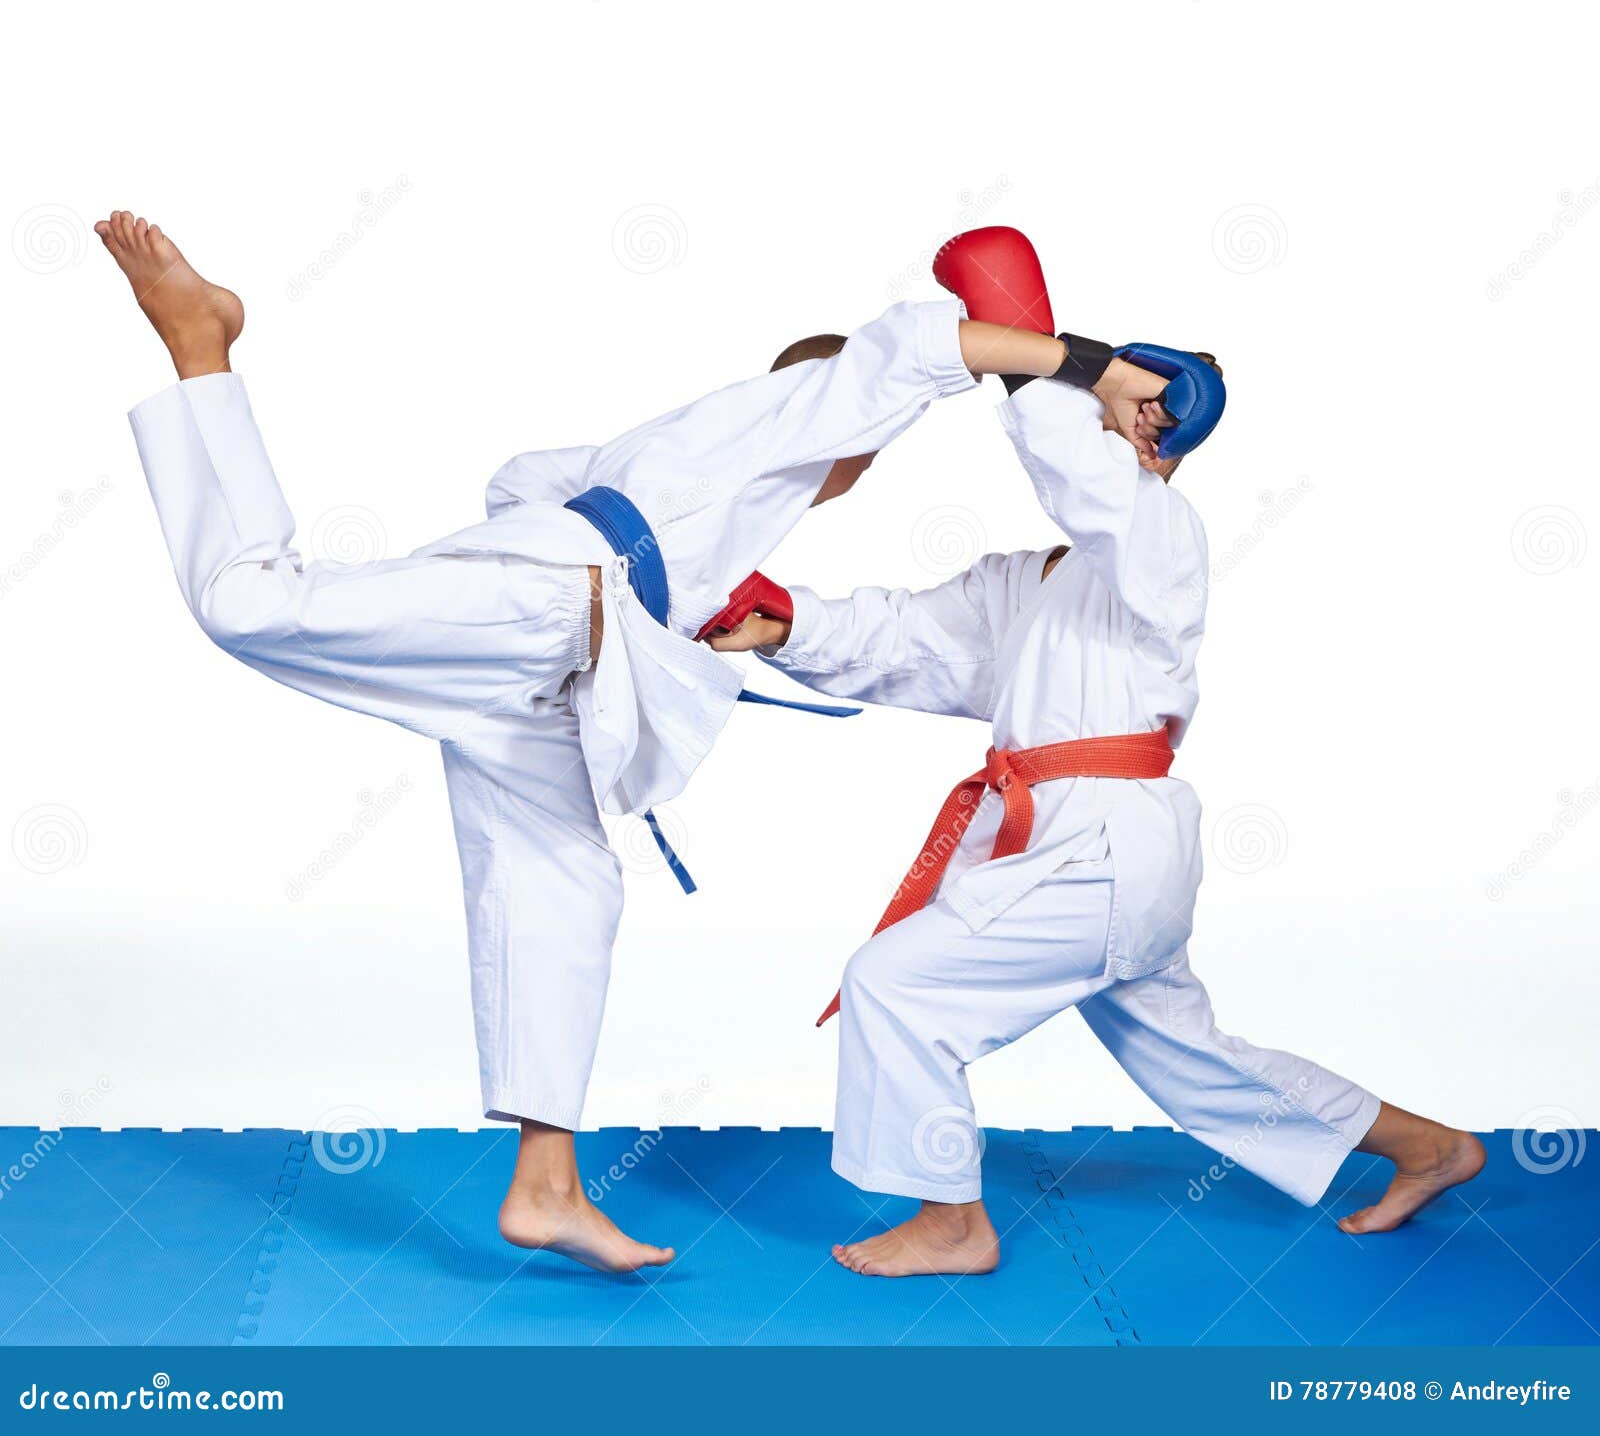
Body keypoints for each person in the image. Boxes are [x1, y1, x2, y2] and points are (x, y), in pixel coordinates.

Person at [93, 210, 1114, 1273]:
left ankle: (546, 1187)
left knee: (561, 881)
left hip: (556, 657)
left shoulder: (711, 471)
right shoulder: (786, 416)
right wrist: (1091, 366)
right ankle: (200, 345)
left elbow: (519, 478)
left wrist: (650, 605)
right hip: (543, 606)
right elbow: (912, 348)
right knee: (252, 604)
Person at [709, 228, 1485, 1277]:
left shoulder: (1159, 536)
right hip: (1087, 850)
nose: (1114, 433)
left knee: (895, 984)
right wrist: (788, 622)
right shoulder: (1032, 581)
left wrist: (1032, 349)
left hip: (1103, 847)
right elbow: (911, 641)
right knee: (1197, 1060)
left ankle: (951, 1221)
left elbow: (1083, 474)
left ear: (1154, 440)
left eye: (1134, 418)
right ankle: (1432, 1148)